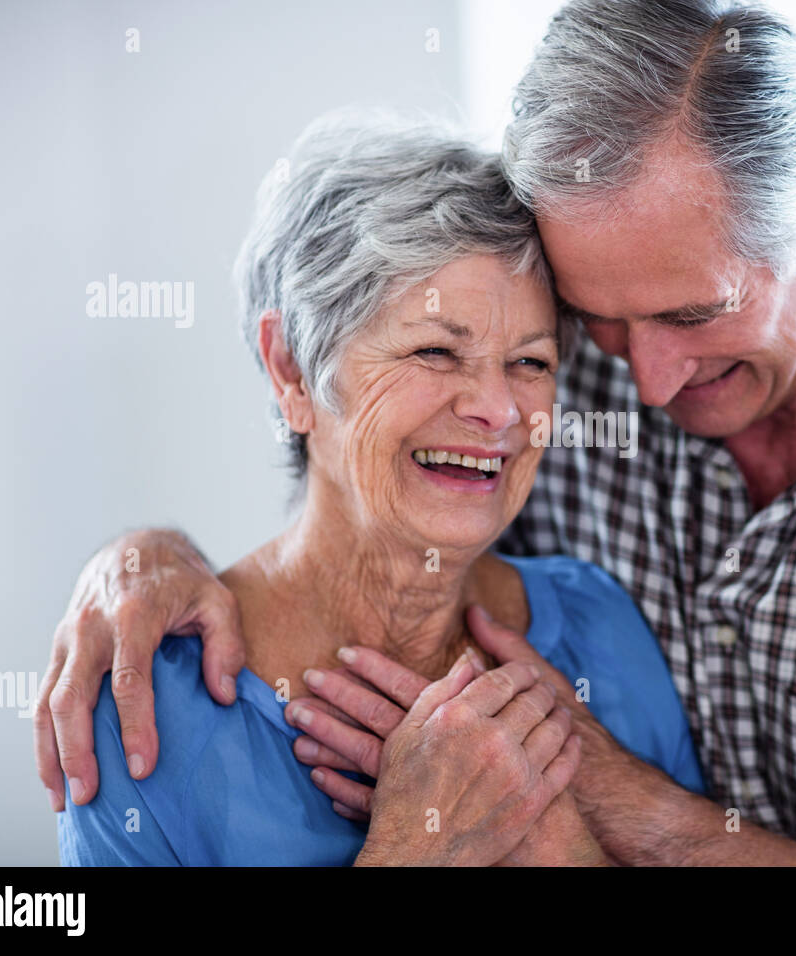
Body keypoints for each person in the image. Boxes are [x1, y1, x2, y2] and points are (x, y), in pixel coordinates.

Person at [40, 0, 796, 866]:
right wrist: (141, 554)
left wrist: (612, 806)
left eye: (690, 314)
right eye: (594, 329)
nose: (648, 382)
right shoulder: (152, 719)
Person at [55, 114, 703, 866]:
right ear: (292, 371)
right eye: (435, 350)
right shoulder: (141, 708)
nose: (497, 409)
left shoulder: (603, 627)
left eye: (529, 362)